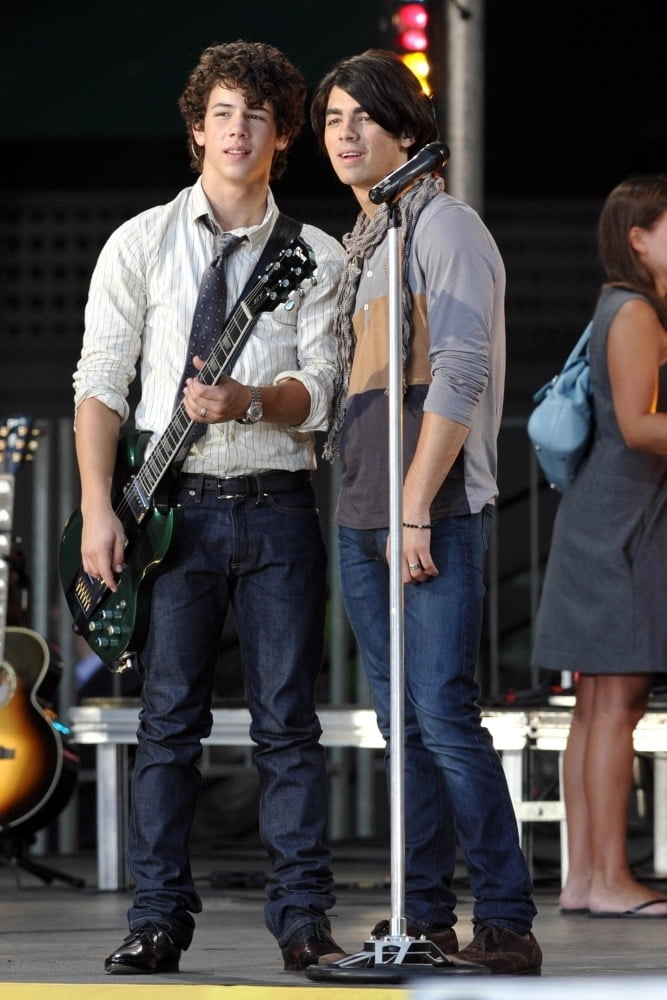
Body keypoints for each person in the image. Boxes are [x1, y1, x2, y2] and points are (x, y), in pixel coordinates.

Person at [71, 40, 346, 974]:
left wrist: (255, 401)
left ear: (283, 139)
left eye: (256, 117)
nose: (238, 130)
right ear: (196, 132)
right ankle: (157, 920)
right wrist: (98, 510)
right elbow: (101, 383)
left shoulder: (314, 254)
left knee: (287, 725)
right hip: (167, 512)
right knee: (166, 725)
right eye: (223, 114)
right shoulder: (139, 241)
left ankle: (304, 920)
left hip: (277, 505)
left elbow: (323, 390)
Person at [310, 50, 541, 974]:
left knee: (444, 715)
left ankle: (506, 921)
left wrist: (412, 507)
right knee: (398, 723)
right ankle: (421, 917)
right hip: (362, 510)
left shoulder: (443, 228)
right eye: (330, 119)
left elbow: (462, 369)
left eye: (361, 115)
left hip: (430, 511)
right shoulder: (365, 241)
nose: (344, 134)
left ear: (405, 126)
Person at [532, 175, 667, 919]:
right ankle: (609, 880)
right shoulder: (636, 311)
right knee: (614, 704)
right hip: (623, 524)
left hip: (604, 520)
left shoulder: (620, 306)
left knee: (597, 707)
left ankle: (585, 879)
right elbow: (639, 425)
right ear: (637, 237)